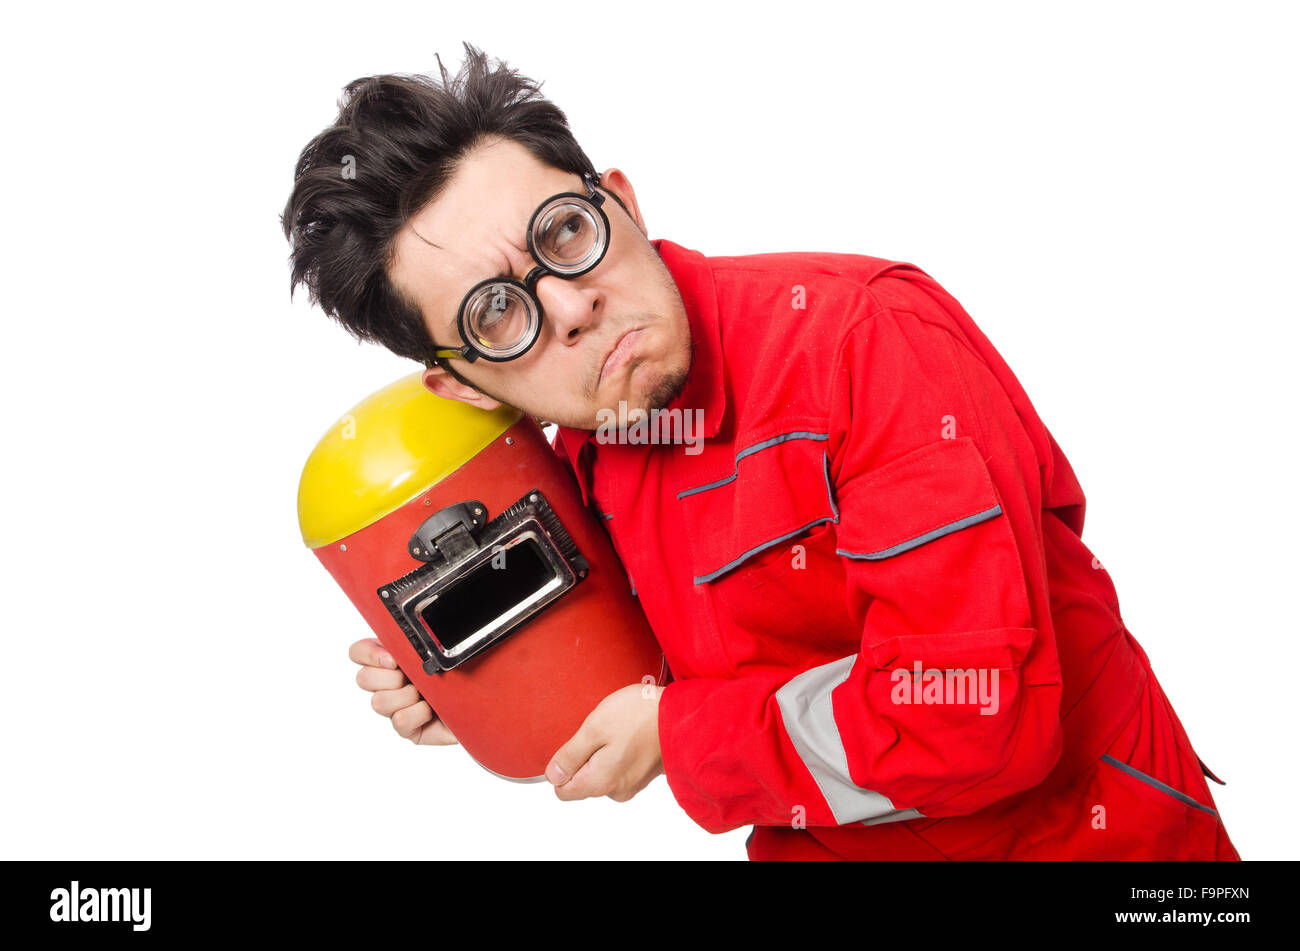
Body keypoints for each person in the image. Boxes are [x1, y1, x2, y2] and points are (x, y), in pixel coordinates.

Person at [281, 44, 1240, 860]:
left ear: (620, 200)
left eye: (564, 233)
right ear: (461, 379)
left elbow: (976, 712)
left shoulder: (862, 341)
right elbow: (661, 666)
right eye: (497, 312)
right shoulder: (580, 450)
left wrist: (682, 736)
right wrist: (496, 681)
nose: (571, 307)